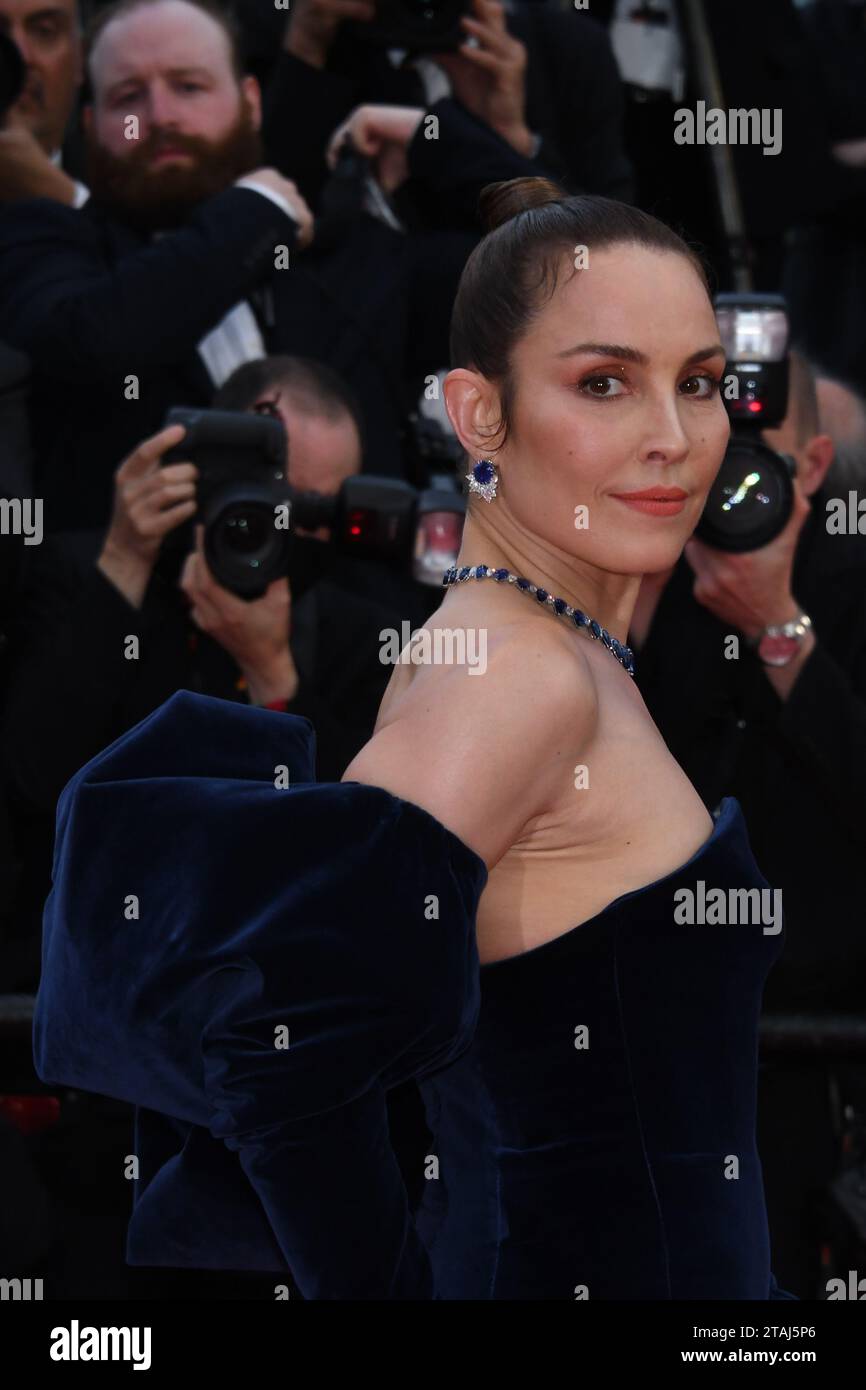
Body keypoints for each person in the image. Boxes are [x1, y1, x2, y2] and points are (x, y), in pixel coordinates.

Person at [33, 178, 793, 1299]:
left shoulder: (538, 647)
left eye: (695, 382)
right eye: (601, 383)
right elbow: (283, 1045)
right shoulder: (518, 675)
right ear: (477, 414)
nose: (673, 438)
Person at [0, 0, 540, 532]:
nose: (160, 117)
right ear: (91, 124)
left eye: (189, 87)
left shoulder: (355, 259)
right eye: (128, 96)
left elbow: (556, 271)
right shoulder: (48, 245)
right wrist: (257, 211)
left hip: (365, 617)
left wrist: (443, 137)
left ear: (251, 102)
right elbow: (90, 338)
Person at [0, 0, 88, 205]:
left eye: (44, 31)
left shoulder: (119, 178)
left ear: (80, 58)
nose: (20, 56)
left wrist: (68, 196)